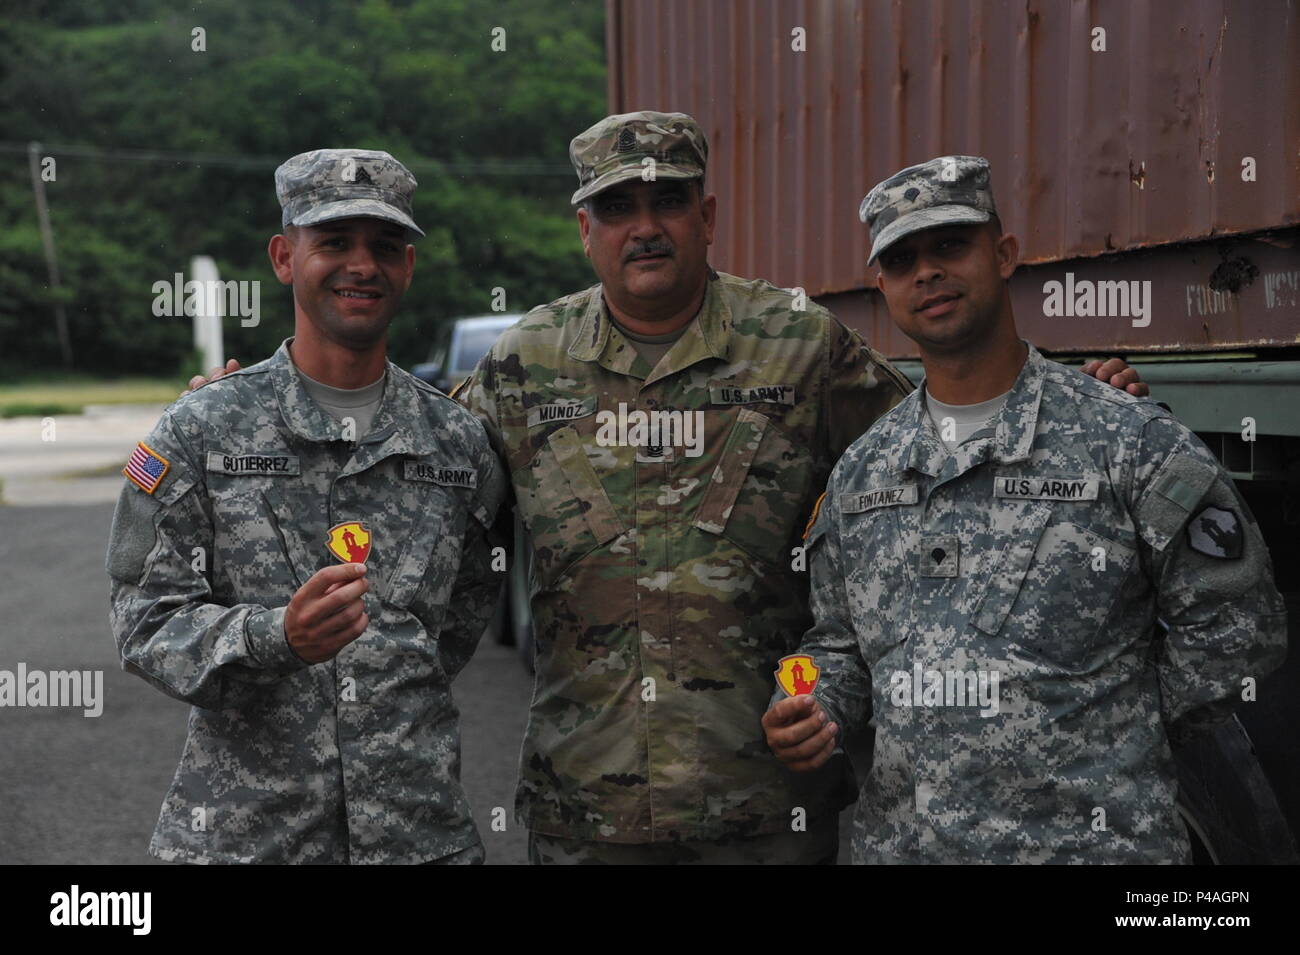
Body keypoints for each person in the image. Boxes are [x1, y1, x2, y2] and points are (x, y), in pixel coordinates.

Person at [190, 120, 1147, 864]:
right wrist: (246, 410)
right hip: (589, 801)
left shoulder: (798, 343)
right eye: (617, 207)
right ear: (585, 229)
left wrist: (1068, 401)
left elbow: (937, 440)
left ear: (708, 214)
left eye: (669, 199)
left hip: (769, 793)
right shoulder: (528, 362)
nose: (644, 224)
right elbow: (411, 465)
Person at [762, 155, 1288, 863]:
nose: (928, 271)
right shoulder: (864, 470)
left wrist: (1106, 725)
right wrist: (812, 705)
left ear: (1003, 254)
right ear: (881, 284)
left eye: (950, 244)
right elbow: (839, 644)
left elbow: (1236, 630)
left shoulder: (1124, 438)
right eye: (902, 257)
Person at [106, 148, 505, 864]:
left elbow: (454, 628)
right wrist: (274, 636)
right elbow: (145, 620)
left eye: (386, 246)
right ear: (285, 257)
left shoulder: (459, 445)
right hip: (248, 840)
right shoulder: (202, 430)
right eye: (334, 242)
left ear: (407, 269)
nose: (363, 264)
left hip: (417, 840)